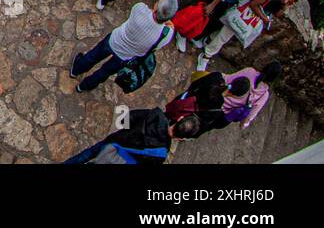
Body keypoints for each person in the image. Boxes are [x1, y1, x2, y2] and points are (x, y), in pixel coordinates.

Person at [70, 0, 177, 93]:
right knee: (104, 72)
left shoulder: (140, 9)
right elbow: (168, 28)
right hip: (126, 57)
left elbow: (148, 12)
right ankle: (83, 87)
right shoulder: (166, 35)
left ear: (155, 8)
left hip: (114, 41)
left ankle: (76, 70)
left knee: (93, 56)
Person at [189, 0, 300, 54]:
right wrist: (212, 6)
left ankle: (200, 39)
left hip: (238, 0)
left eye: (289, 1)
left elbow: (273, 9)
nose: (285, 1)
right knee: (219, 20)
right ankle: (196, 39)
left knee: (223, 22)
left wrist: (286, 5)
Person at [64, 109, 201, 164]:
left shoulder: (156, 115)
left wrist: (124, 129)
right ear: (181, 138)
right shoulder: (161, 155)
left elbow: (127, 117)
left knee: (89, 153)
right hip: (119, 160)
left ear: (180, 118)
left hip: (115, 142)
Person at [196, 0, 284, 72]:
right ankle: (206, 56)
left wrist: (284, 5)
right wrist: (264, 17)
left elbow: (277, 12)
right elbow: (254, 4)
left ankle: (208, 41)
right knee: (224, 36)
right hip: (247, 14)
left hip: (247, 16)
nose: (287, 0)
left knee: (225, 33)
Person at [218, 62, 281, 130]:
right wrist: (243, 125)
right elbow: (249, 117)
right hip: (222, 115)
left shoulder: (249, 71)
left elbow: (227, 80)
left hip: (216, 98)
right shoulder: (264, 95)